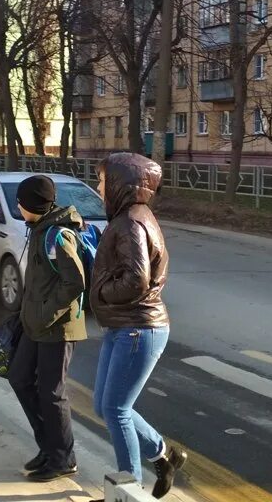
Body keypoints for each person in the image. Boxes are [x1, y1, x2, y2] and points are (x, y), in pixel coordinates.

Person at [91, 152, 186, 499]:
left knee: (116, 409)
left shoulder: (130, 221)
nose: (98, 186)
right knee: (105, 405)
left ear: (119, 184)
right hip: (125, 326)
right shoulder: (128, 217)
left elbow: (136, 281)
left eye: (102, 180)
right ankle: (164, 456)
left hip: (138, 329)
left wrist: (99, 290)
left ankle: (128, 490)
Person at [7, 174, 87, 482]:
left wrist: (44, 314)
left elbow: (75, 282)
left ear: (32, 205)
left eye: (21, 202)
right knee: (19, 378)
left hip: (58, 328)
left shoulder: (57, 236)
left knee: (51, 393)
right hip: (36, 325)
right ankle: (49, 447)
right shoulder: (38, 230)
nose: (17, 206)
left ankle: (63, 458)